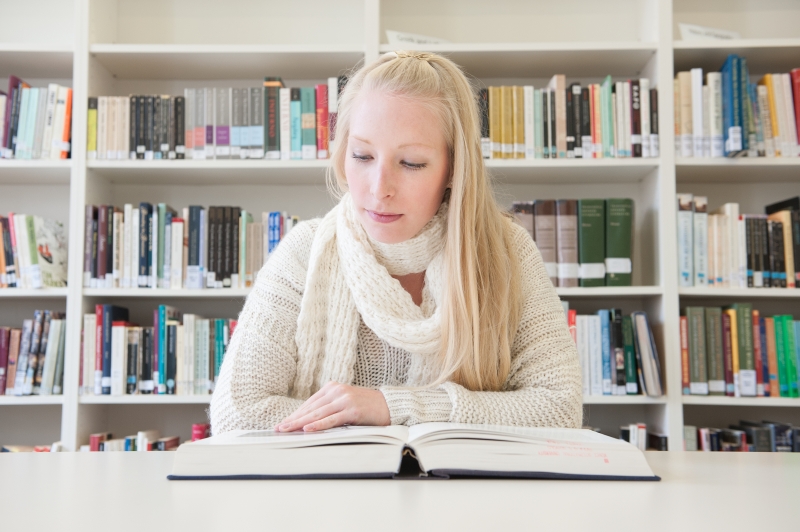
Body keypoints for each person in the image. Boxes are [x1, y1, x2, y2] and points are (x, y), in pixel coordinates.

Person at [210, 50, 582, 434]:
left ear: (454, 168)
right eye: (362, 156)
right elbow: (237, 414)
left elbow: (560, 407)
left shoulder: (508, 252)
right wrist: (367, 424)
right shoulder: (304, 253)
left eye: (411, 163)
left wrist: (393, 407)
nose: (379, 189)